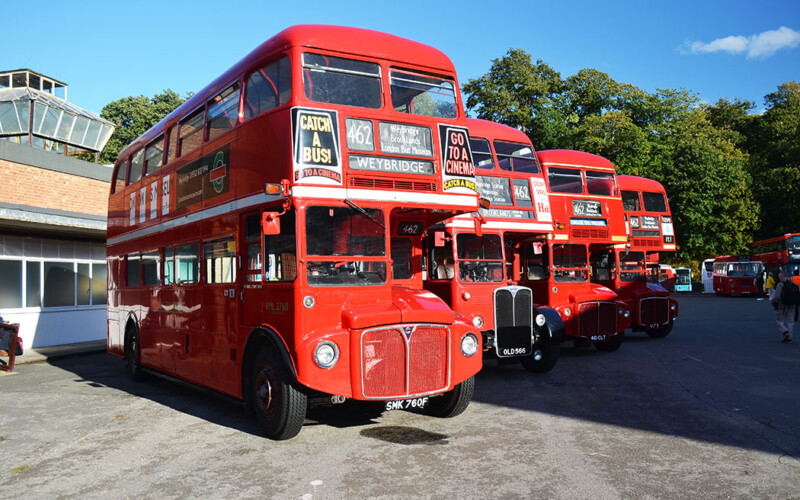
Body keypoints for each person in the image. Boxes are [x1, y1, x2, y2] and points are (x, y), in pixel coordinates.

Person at [771, 272, 797, 344]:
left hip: (782, 305)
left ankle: (785, 331)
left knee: (779, 320)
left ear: (781, 277)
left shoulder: (780, 285)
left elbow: (777, 297)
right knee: (790, 322)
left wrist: (773, 301)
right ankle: (789, 338)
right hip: (792, 305)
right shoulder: (792, 284)